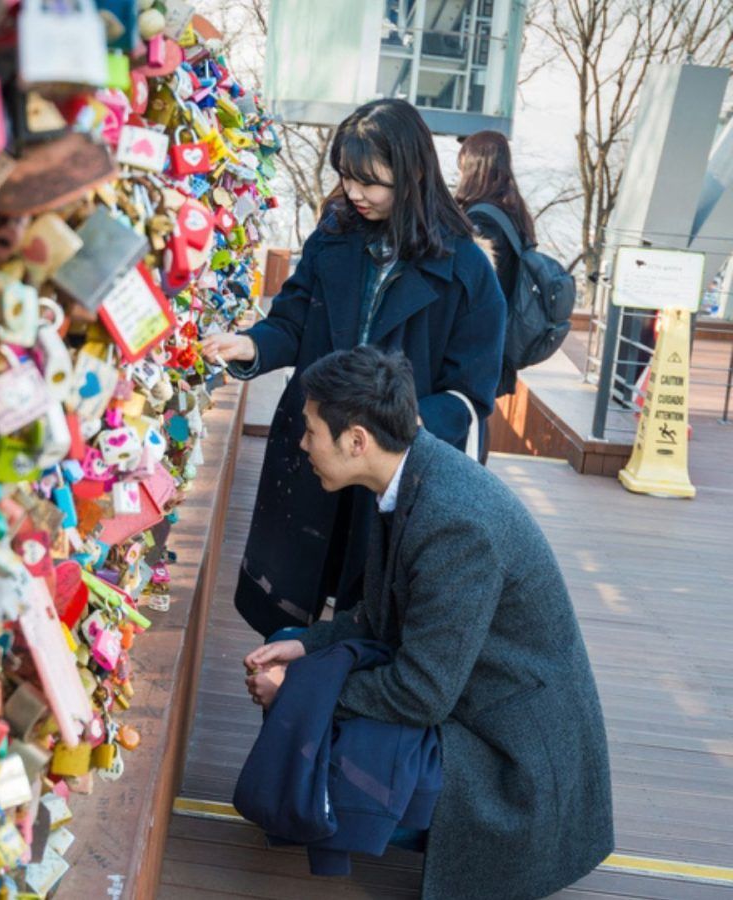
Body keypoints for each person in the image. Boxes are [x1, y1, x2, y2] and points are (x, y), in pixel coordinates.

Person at [241, 347, 613, 900]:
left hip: (511, 760)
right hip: (467, 695)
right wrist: (307, 649)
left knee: (334, 738)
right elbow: (377, 617)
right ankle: (318, 800)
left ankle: (361, 814)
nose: (302, 444)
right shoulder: (412, 474)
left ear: (356, 440)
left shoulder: (455, 523)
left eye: (311, 431)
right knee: (287, 642)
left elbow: (421, 695)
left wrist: (299, 694)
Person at [200, 98, 507, 638]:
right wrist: (250, 346)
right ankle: (287, 679)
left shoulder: (466, 270)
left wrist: (399, 425)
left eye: (369, 182)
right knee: (291, 596)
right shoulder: (334, 234)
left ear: (413, 172)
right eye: (346, 176)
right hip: (314, 439)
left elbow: (470, 394)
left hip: (391, 460)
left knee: (372, 610)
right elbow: (294, 318)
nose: (354, 193)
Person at [455, 129, 538, 400]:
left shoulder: (482, 219)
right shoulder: (514, 212)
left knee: (468, 415)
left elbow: (473, 287)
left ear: (474, 167)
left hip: (479, 344)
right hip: (500, 341)